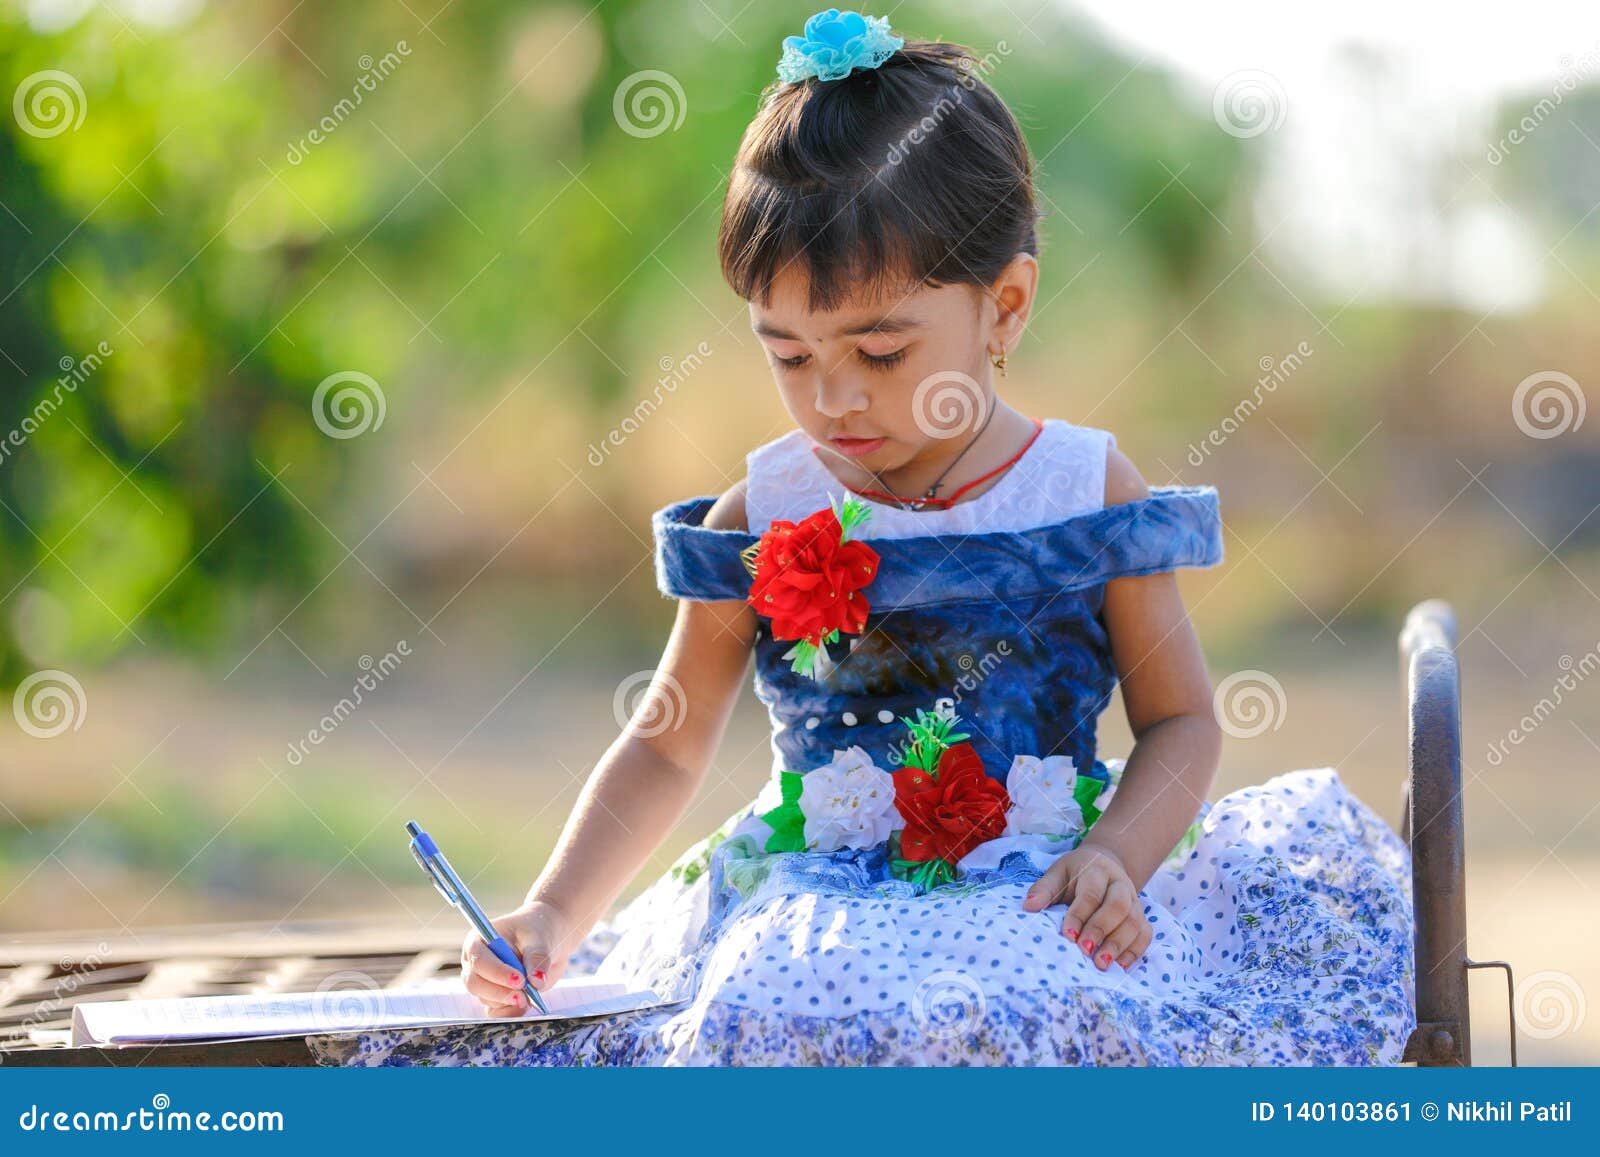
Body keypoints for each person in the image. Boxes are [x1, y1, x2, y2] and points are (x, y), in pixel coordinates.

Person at [316, 10, 1414, 1067]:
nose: (832, 398)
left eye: (880, 352)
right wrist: (556, 909)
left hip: (1044, 879)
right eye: (788, 356)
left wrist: (1116, 857)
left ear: (1005, 306)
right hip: (820, 901)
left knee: (1037, 1001)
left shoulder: (1079, 490)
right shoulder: (769, 505)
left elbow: (1180, 720)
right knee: (780, 1008)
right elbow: (665, 742)